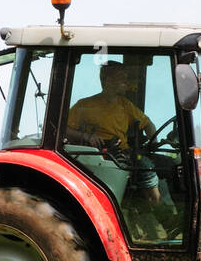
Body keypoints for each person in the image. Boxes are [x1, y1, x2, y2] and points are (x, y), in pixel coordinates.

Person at [65, 62, 162, 209]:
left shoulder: (125, 105)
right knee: (145, 167)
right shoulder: (85, 105)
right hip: (100, 156)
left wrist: (154, 139)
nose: (126, 82)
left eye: (126, 77)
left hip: (124, 152)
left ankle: (152, 210)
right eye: (121, 78)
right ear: (108, 81)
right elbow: (64, 130)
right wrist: (86, 137)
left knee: (158, 163)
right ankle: (155, 208)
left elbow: (147, 124)